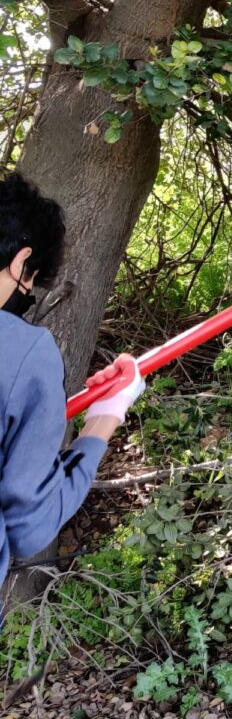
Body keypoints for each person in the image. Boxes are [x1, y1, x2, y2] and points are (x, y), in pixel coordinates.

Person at [1, 171, 145, 632]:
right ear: (22, 261)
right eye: (30, 281)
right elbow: (30, 524)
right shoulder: (24, 353)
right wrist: (105, 417)